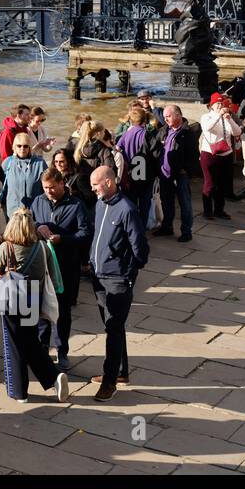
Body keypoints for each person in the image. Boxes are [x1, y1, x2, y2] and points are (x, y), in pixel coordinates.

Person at [0, 208, 71, 404]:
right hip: (34, 298)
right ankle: (53, 376)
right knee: (31, 340)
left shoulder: (6, 248)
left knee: (15, 345)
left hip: (12, 301)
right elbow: (50, 273)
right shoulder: (42, 247)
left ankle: (20, 392)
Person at [88, 166, 147, 401]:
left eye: (95, 184)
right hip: (98, 276)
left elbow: (140, 249)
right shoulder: (100, 203)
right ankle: (122, 372)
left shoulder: (127, 210)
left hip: (118, 279)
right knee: (112, 325)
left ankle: (109, 380)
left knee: (113, 328)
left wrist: (128, 273)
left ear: (109, 182)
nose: (92, 188)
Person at [30, 167, 93, 373]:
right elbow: (29, 221)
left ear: (61, 185)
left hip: (66, 266)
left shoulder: (76, 205)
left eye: (52, 187)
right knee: (40, 311)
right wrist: (38, 226)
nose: (48, 191)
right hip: (41, 265)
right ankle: (40, 349)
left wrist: (63, 239)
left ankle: (62, 351)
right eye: (45, 188)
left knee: (62, 312)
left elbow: (85, 233)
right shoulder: (38, 201)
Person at [154, 104, 199, 243]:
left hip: (180, 174)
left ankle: (186, 231)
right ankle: (167, 227)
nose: (165, 119)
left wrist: (185, 169)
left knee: (184, 203)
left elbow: (194, 154)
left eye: (168, 116)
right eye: (165, 116)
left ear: (178, 115)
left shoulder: (188, 133)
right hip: (164, 173)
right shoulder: (164, 130)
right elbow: (155, 147)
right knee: (166, 201)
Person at [198, 93, 242, 220]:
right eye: (217, 104)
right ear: (211, 106)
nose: (220, 106)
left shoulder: (226, 117)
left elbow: (237, 132)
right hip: (209, 155)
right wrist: (219, 115)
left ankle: (219, 210)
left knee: (222, 184)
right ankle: (207, 211)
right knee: (210, 184)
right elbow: (208, 127)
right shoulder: (206, 117)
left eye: (221, 104)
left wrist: (229, 119)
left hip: (226, 155)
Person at [117, 104, 159, 231]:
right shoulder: (147, 135)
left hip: (131, 173)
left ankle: (132, 228)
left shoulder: (126, 134)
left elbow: (118, 149)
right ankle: (142, 228)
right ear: (145, 120)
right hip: (145, 174)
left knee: (132, 202)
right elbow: (156, 155)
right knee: (145, 202)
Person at [1, 134, 47, 218]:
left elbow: (46, 187)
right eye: (19, 146)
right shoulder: (8, 163)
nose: (22, 149)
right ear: (14, 147)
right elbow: (1, 185)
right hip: (13, 212)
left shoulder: (40, 163)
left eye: (25, 146)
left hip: (35, 212)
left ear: (30, 147)